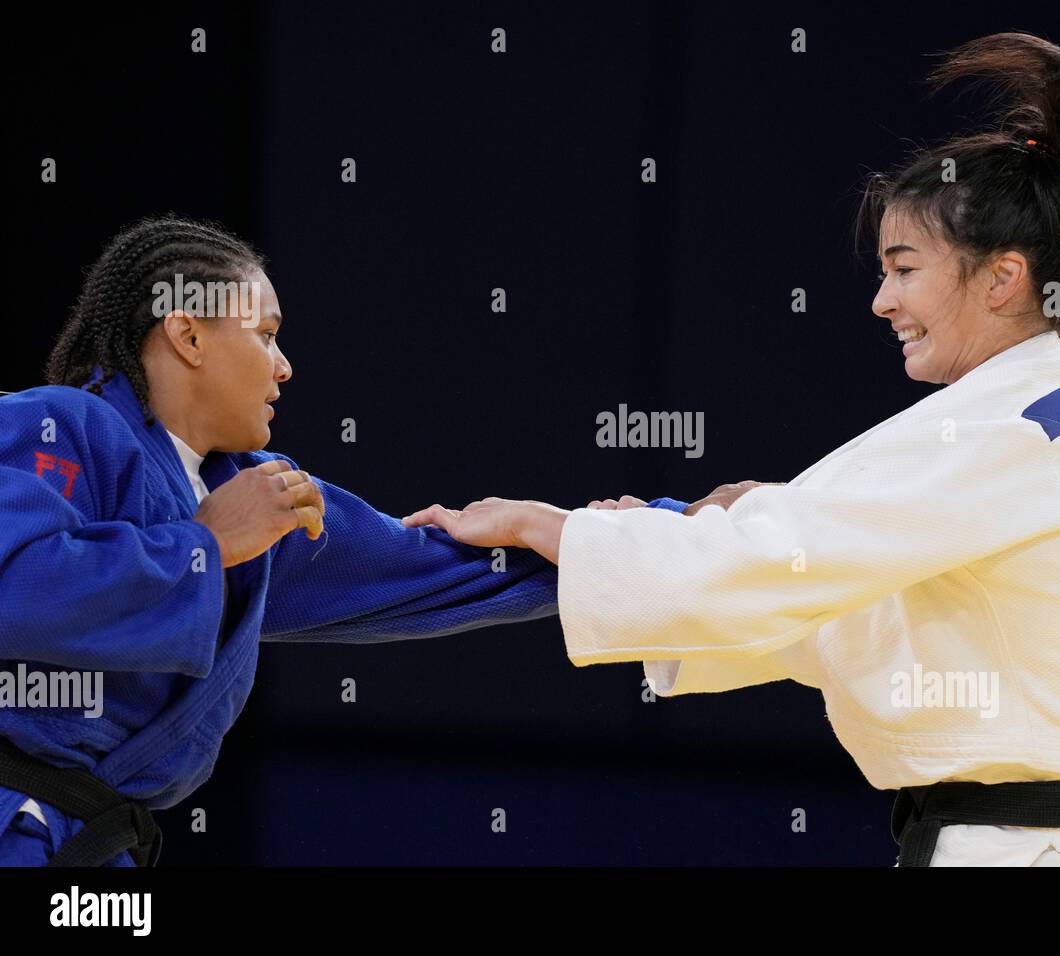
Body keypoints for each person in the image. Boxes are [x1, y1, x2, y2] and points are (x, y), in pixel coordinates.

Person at [402, 33, 1060, 866]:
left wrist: (550, 526)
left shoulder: (1003, 432)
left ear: (1001, 278)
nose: (883, 301)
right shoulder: (1048, 411)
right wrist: (676, 537)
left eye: (905, 268)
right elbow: (863, 596)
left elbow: (782, 563)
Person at [0, 215, 678, 866]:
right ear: (189, 336)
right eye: (265, 334)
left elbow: (441, 574)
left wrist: (662, 532)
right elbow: (15, 590)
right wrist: (205, 543)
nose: (285, 366)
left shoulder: (258, 496)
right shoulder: (60, 424)